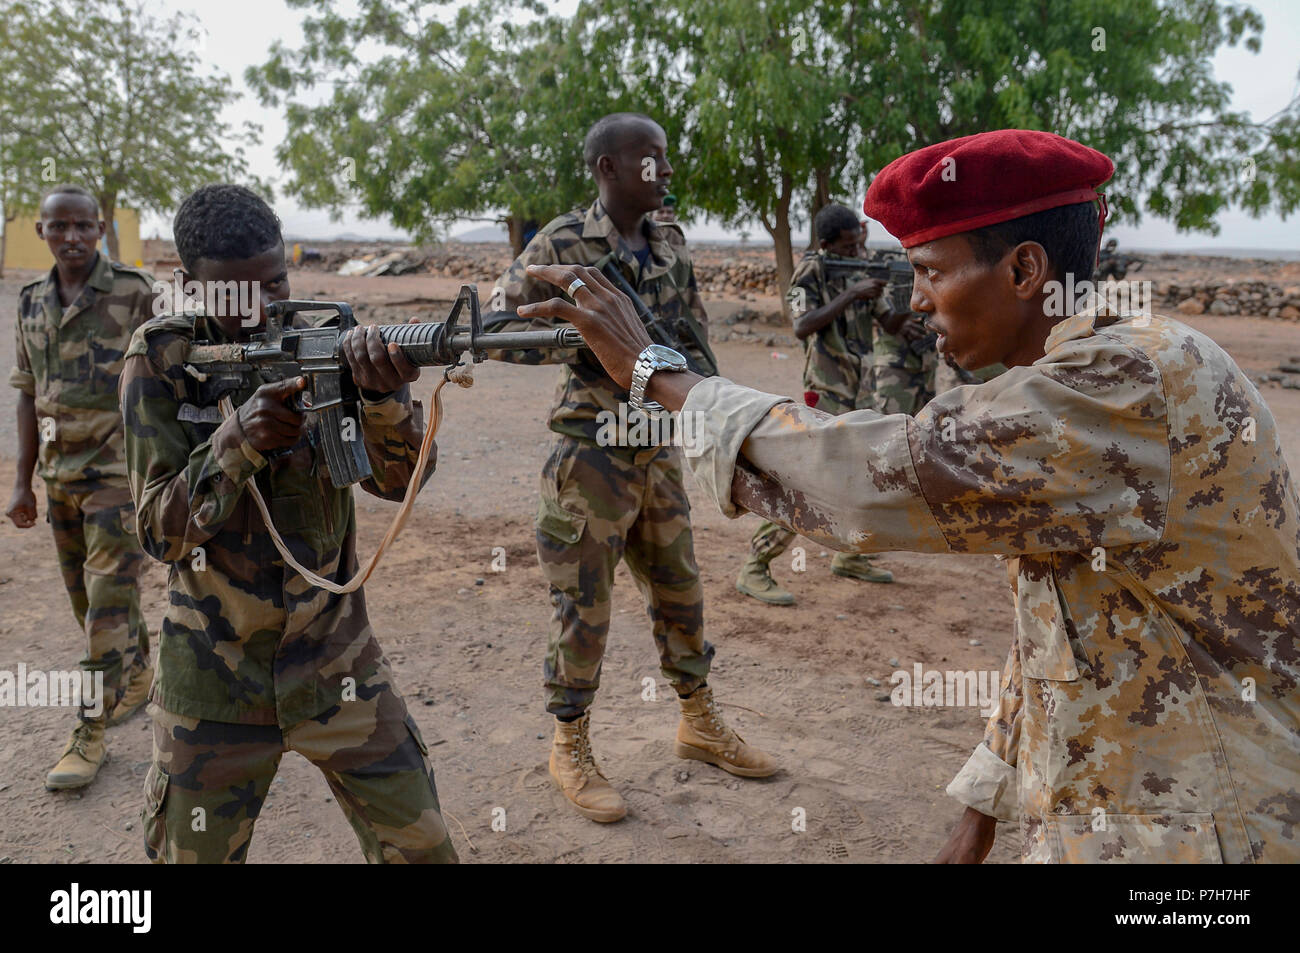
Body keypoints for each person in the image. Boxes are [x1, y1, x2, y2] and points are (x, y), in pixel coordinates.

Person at [514, 129, 1300, 863]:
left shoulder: (1124, 383)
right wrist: (984, 804)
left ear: (1024, 272)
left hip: (1203, 836)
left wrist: (657, 373)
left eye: (931, 271)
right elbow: (1065, 613)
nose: (917, 300)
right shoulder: (1095, 366)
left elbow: (871, 477)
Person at [119, 184, 456, 863]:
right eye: (237, 295)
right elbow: (158, 530)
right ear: (188, 285)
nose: (265, 307)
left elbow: (398, 481)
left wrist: (389, 398)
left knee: (424, 849)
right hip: (214, 675)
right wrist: (236, 441)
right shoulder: (162, 358)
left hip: (338, 661)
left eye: (275, 283)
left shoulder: (331, 333)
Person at [485, 112, 776, 824]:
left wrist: (720, 414)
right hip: (592, 457)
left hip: (658, 452)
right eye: (652, 160)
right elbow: (492, 330)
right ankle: (569, 744)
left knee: (682, 594)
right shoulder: (558, 242)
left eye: (667, 158)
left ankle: (699, 722)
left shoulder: (671, 241)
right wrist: (578, 339)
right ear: (607, 168)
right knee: (584, 612)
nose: (667, 171)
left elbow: (693, 338)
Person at [7, 184, 154, 790]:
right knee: (89, 603)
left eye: (83, 226)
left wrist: (161, 472)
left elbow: (164, 384)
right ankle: (139, 671)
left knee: (104, 606)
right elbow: (26, 391)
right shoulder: (30, 301)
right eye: (59, 227)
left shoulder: (134, 292)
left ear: (101, 229)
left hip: (118, 478)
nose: (72, 237)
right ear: (41, 232)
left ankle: (88, 733)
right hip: (59, 476)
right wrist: (22, 482)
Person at [736, 203, 902, 606]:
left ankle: (850, 557)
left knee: (858, 473)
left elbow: (890, 321)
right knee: (808, 479)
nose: (855, 253)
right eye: (847, 247)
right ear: (826, 244)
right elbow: (800, 325)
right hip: (826, 388)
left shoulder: (859, 267)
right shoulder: (811, 271)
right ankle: (755, 565)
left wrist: (912, 298)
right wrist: (850, 294)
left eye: (858, 244)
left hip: (860, 386)